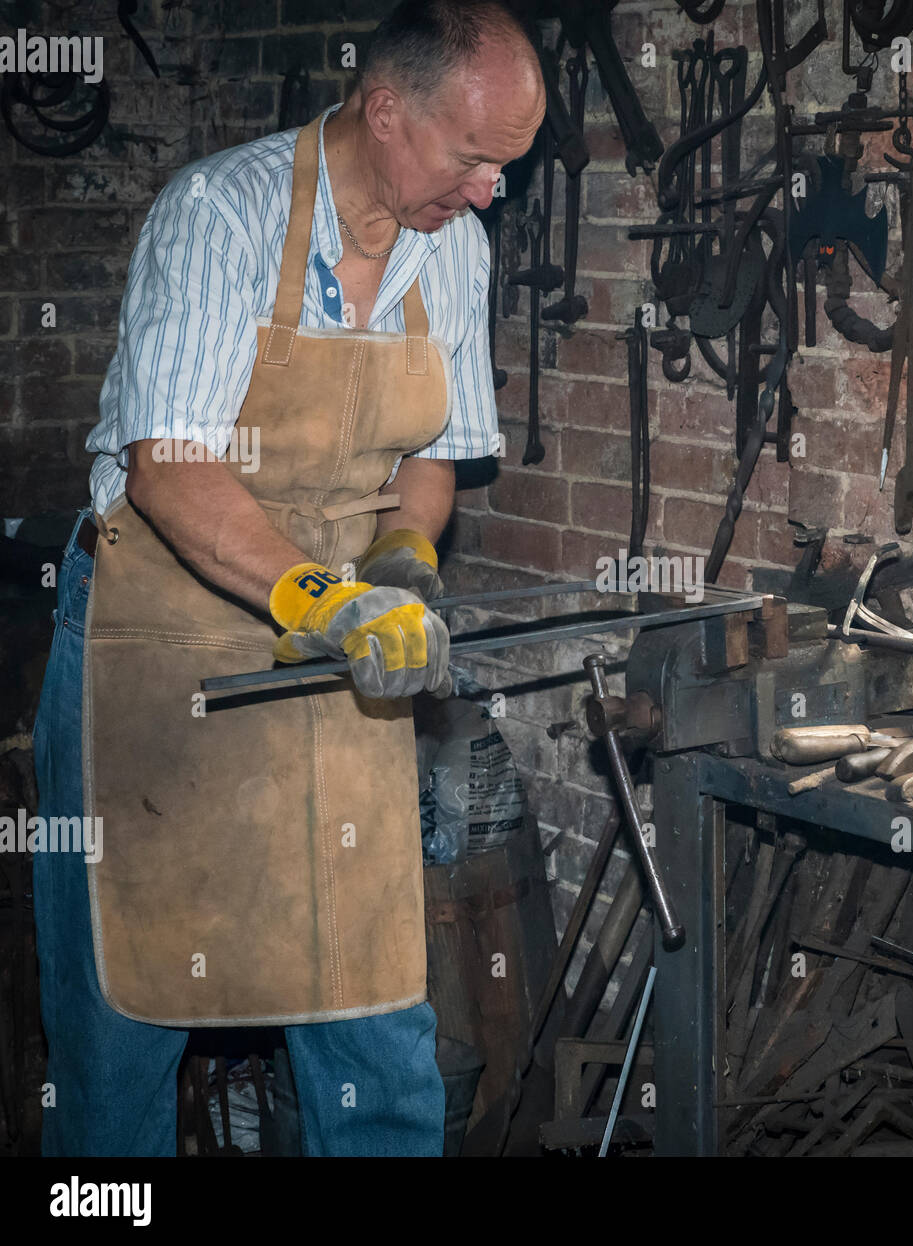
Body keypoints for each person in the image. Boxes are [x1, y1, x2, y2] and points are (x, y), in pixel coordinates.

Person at [32, 0, 545, 1156]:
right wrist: (323, 597)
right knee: (122, 1023)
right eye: (473, 159)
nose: (487, 194)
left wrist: (401, 570)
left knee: (372, 1012)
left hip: (339, 661)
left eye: (505, 170)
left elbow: (430, 460)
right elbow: (170, 466)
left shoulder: (450, 250)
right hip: (161, 649)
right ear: (384, 111)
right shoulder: (224, 214)